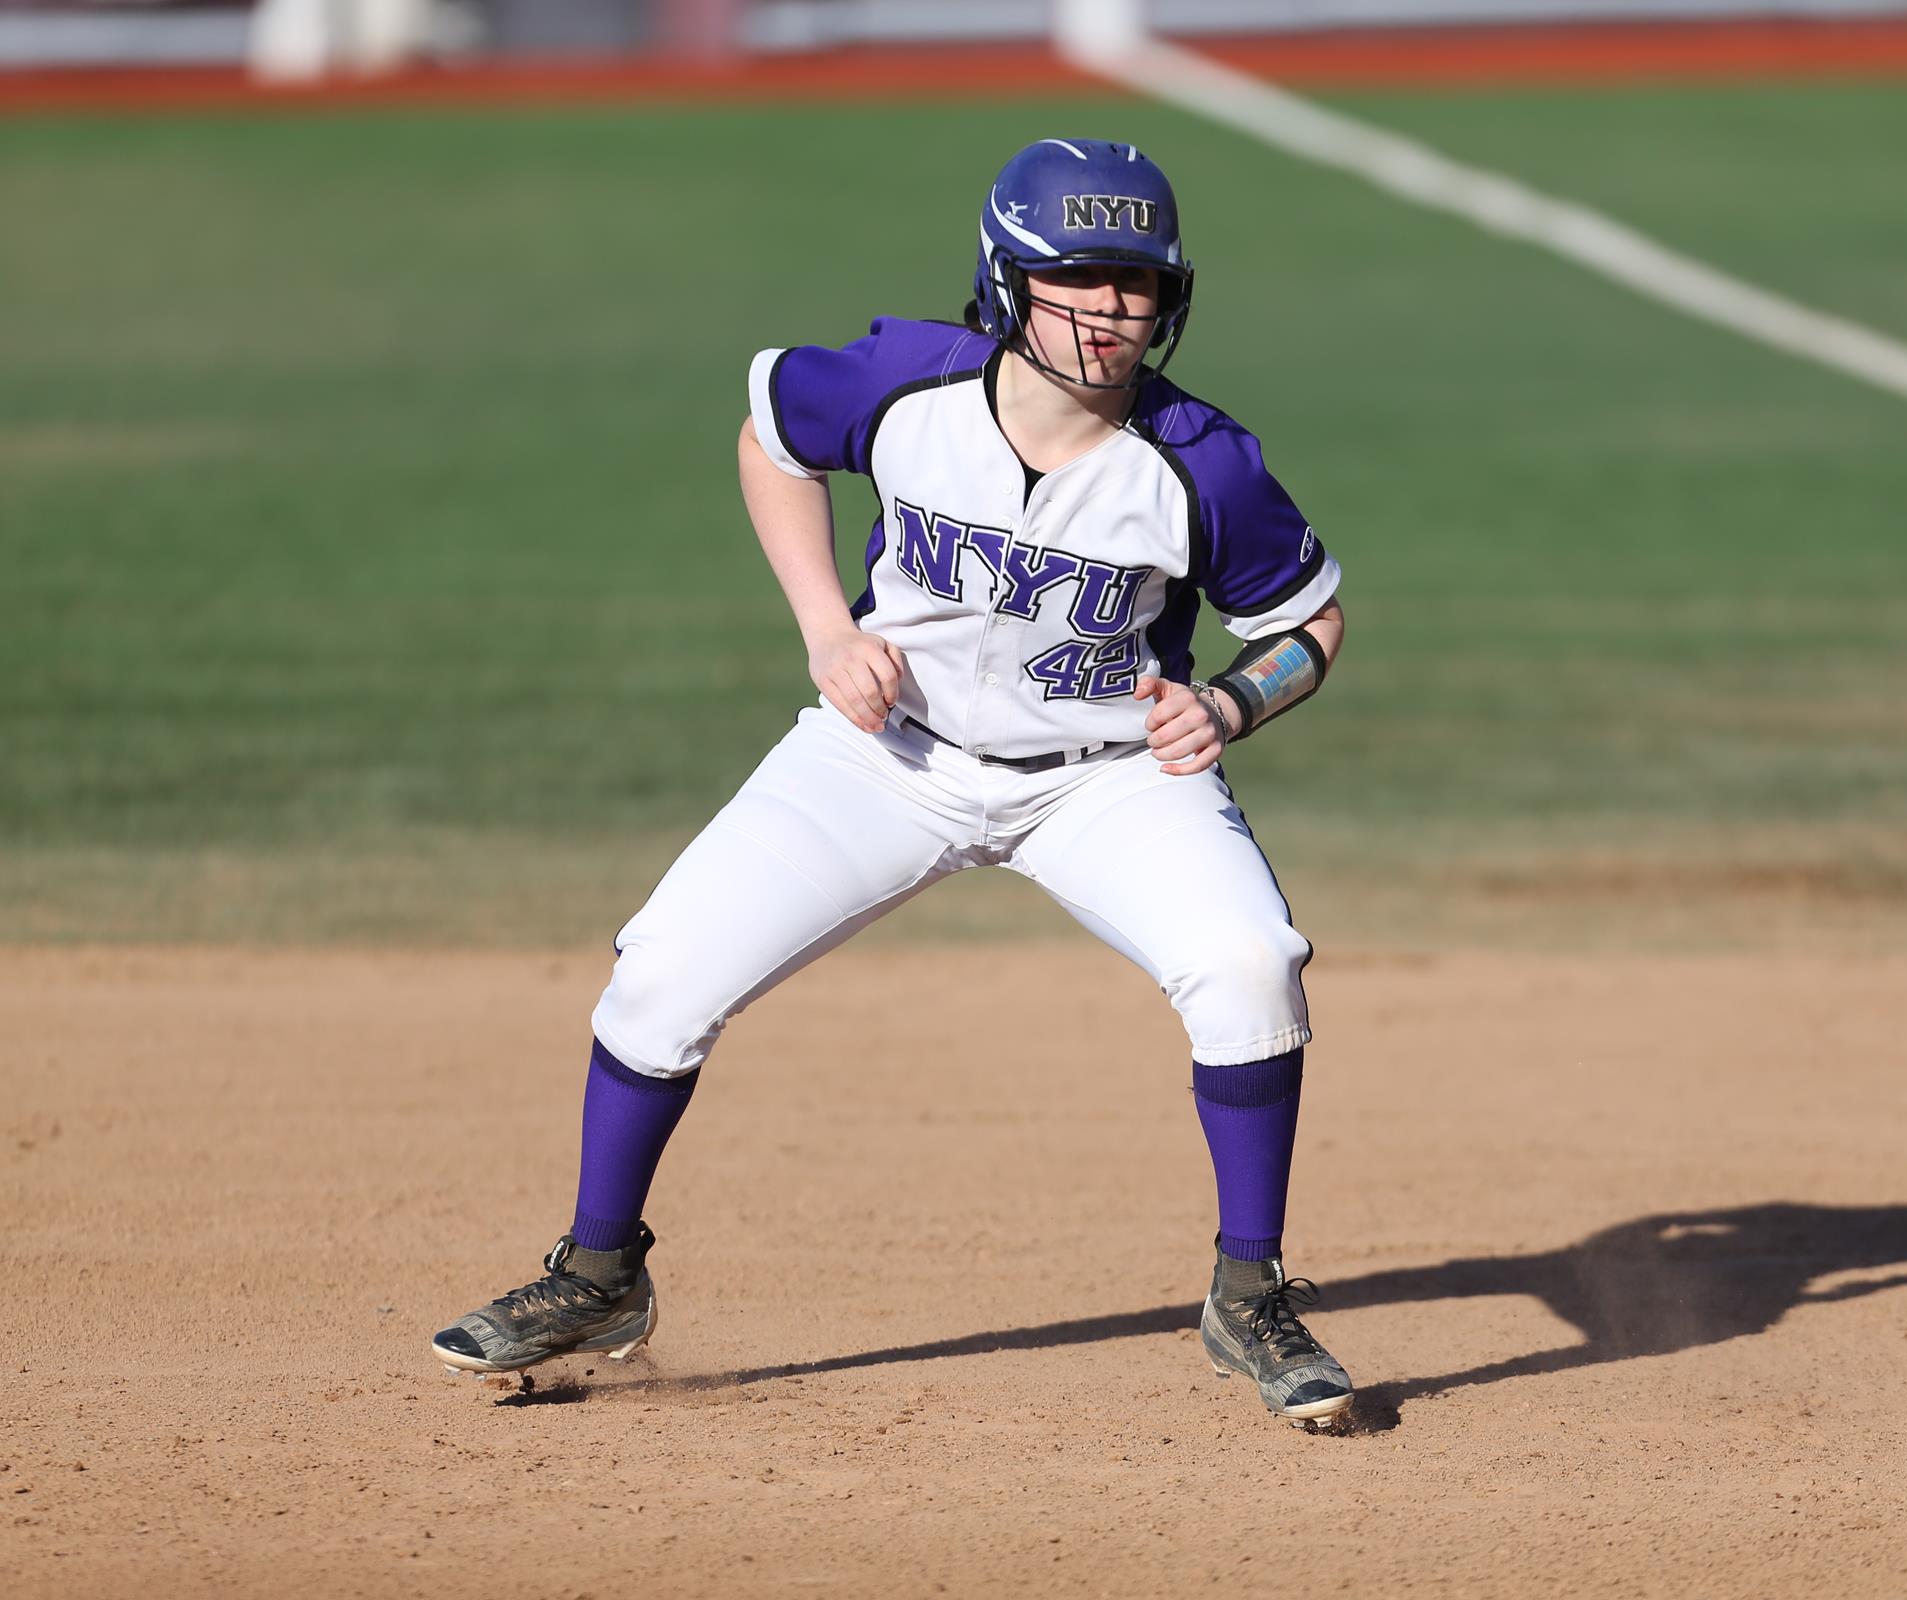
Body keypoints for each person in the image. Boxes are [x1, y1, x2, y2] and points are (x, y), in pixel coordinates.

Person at [430, 138, 1353, 1429]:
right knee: (659, 973)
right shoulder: (908, 380)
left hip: (1104, 780)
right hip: (885, 757)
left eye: (1136, 283)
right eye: (1075, 277)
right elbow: (771, 436)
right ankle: (597, 1273)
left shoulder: (1203, 462)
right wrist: (823, 625)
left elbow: (1311, 624)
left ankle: (1247, 1296)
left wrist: (1229, 701)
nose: (1110, 311)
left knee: (1252, 961)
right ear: (1006, 280)